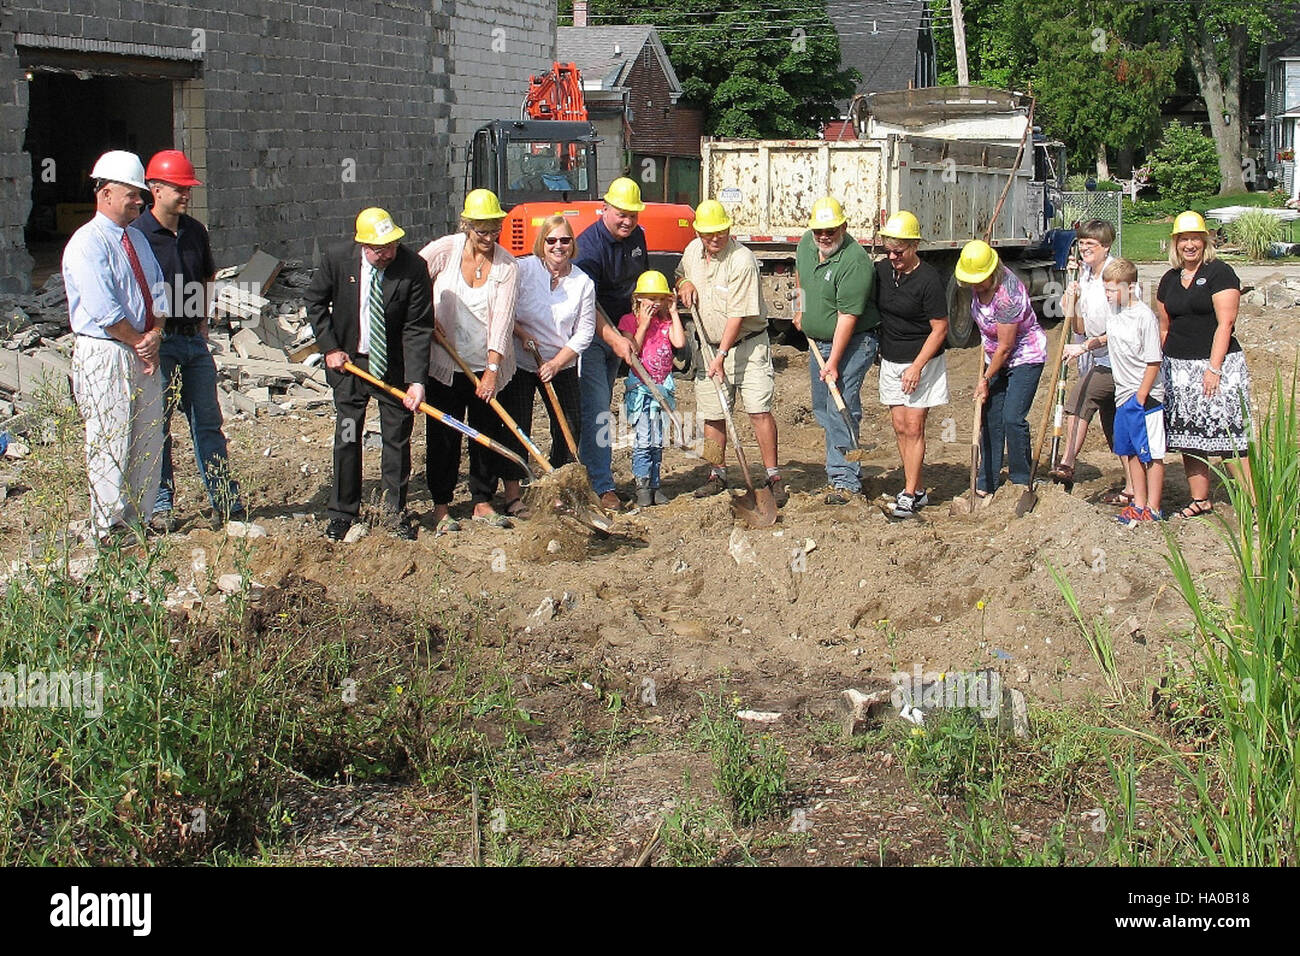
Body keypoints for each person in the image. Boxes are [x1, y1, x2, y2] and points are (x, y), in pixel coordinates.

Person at [132, 148, 245, 532]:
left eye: (188, 188)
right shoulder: (139, 236)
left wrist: (202, 321)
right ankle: (160, 503)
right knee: (157, 426)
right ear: (155, 188)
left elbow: (208, 277)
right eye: (178, 188)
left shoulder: (196, 231)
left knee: (207, 420)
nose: (185, 195)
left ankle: (223, 498)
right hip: (158, 344)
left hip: (192, 341)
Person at [306, 207, 432, 541]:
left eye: (392, 245)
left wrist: (416, 381)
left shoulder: (412, 268)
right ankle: (343, 512)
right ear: (362, 244)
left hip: (393, 367)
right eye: (379, 249)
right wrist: (330, 347)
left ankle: (394, 514)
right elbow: (315, 301)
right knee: (348, 436)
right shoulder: (337, 260)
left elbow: (417, 328)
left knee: (396, 439)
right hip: (350, 364)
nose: (387, 253)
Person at [64, 150, 169, 543]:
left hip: (143, 348)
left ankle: (138, 520)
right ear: (105, 193)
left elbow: (159, 293)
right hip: (106, 351)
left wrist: (155, 334)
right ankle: (109, 526)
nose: (140, 201)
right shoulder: (87, 243)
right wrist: (140, 340)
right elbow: (104, 309)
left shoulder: (138, 241)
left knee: (147, 435)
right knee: (109, 437)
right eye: (132, 193)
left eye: (141, 194)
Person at [420, 189, 520, 532]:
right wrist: (424, 317)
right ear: (467, 226)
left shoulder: (507, 266)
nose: (489, 238)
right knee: (444, 435)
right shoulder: (444, 251)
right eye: (482, 231)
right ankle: (441, 506)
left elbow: (504, 322)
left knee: (485, 434)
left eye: (495, 230)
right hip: (446, 364)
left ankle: (481, 500)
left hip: (487, 365)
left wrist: (491, 371)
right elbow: (413, 277)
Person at [674, 199, 786, 505]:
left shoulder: (742, 261)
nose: (713, 239)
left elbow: (737, 316)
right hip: (708, 346)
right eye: (707, 234)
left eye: (719, 233)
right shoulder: (693, 252)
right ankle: (717, 473)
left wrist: (722, 356)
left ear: (728, 228)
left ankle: (773, 475)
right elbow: (680, 272)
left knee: (758, 410)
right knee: (712, 415)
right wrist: (684, 282)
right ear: (698, 232)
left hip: (746, 346)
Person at [1154, 211, 1252, 517]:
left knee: (1229, 436)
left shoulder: (1221, 273)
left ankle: (1254, 502)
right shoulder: (1169, 279)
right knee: (1188, 436)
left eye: (1195, 238)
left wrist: (1214, 368)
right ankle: (1200, 499)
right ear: (1175, 243)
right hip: (1178, 369)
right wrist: (1159, 365)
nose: (1189, 245)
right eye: (1183, 239)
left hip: (1217, 366)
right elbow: (1164, 327)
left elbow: (1226, 324)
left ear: (1205, 240)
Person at [1065, 258, 1165, 526]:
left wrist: (1141, 396)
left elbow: (1154, 360)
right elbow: (1109, 336)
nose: (1107, 295)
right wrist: (1083, 347)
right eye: (1105, 290)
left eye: (1111, 290)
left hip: (1145, 395)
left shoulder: (1144, 316)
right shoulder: (1115, 312)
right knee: (1129, 449)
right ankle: (1138, 503)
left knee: (1151, 452)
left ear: (1130, 287)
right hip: (1123, 394)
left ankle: (1154, 507)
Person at [793, 196, 879, 504]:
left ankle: (846, 481)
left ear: (843, 226)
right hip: (819, 343)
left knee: (841, 406)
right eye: (819, 231)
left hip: (854, 342)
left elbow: (848, 317)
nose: (824, 236)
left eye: (831, 230)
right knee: (822, 408)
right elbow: (800, 275)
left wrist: (834, 361)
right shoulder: (806, 244)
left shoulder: (855, 262)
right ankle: (842, 469)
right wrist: (799, 309)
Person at [501, 214, 595, 469]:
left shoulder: (583, 283)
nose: (558, 246)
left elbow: (584, 332)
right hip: (521, 362)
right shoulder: (523, 270)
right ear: (542, 242)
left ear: (572, 244)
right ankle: (515, 486)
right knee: (518, 424)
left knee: (570, 424)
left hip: (560, 364)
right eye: (551, 240)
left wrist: (555, 364)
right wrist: (521, 334)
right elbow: (504, 312)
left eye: (565, 240)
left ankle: (559, 481)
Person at [574, 177, 645, 511]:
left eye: (633, 215)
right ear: (605, 208)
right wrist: (615, 338)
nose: (627, 221)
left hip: (619, 333)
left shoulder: (637, 238)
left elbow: (637, 288)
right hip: (589, 337)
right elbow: (588, 305)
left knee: (599, 409)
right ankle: (602, 485)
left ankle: (589, 475)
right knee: (598, 410)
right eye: (621, 214)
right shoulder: (588, 247)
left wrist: (631, 329)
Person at [955, 240, 1047, 496]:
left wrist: (985, 378)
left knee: (1012, 417)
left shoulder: (1009, 294)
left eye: (979, 280)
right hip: (995, 356)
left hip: (1025, 356)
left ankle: (1020, 477)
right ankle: (987, 480)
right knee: (990, 417)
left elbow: (1006, 346)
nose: (974, 285)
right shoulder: (977, 285)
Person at [874, 211, 949, 519]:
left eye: (899, 251)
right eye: (888, 251)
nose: (894, 257)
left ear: (914, 246)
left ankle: (908, 493)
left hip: (922, 360)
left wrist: (917, 366)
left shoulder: (928, 279)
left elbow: (940, 328)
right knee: (899, 426)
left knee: (915, 426)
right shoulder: (882, 272)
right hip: (891, 359)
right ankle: (915, 487)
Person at [1049, 220, 1121, 497]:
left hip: (1115, 359)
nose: (1084, 249)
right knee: (1112, 419)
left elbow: (1125, 325)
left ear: (1106, 247)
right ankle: (1133, 480)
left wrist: (1088, 346)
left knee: (1080, 400)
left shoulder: (1118, 274)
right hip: (1091, 357)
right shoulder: (1085, 275)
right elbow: (1077, 327)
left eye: (1091, 244)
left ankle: (1067, 462)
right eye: (1081, 243)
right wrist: (1074, 300)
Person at [618, 271, 685, 506]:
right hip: (641, 390)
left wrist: (674, 312)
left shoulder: (666, 323)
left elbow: (679, 343)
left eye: (660, 299)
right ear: (638, 299)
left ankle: (655, 485)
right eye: (650, 299)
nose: (655, 304)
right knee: (644, 439)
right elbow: (632, 352)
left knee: (658, 441)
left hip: (662, 390)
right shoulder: (629, 321)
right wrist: (644, 324)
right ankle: (642, 486)